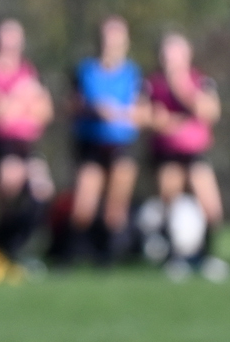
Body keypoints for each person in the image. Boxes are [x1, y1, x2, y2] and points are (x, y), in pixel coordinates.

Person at [0, 17, 54, 284]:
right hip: (0, 146)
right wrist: (24, 99)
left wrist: (15, 103)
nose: (8, 43)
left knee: (41, 194)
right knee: (8, 200)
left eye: (13, 37)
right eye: (2, 37)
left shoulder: (30, 71)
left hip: (26, 145)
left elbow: (45, 111)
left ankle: (6, 254)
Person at [66, 15, 144, 265]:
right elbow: (71, 105)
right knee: (83, 206)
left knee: (116, 208)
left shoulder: (134, 73)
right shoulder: (84, 71)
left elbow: (143, 111)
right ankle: (70, 255)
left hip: (121, 145)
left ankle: (108, 259)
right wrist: (94, 109)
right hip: (91, 144)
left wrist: (122, 113)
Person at [147, 31, 224, 277]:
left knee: (211, 208)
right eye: (166, 52)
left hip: (195, 152)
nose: (169, 58)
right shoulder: (151, 84)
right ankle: (175, 257)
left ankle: (207, 256)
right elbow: (147, 117)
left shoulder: (201, 81)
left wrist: (180, 89)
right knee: (170, 200)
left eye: (175, 52)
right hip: (166, 154)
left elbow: (209, 112)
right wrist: (169, 121)